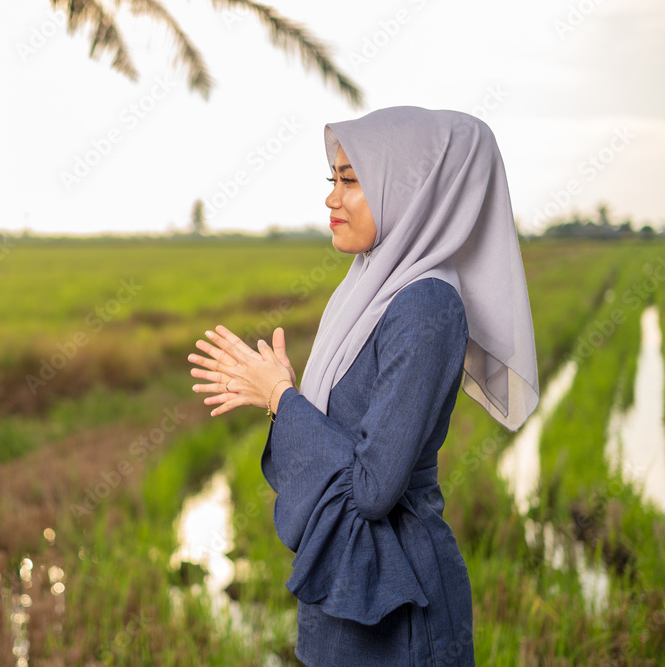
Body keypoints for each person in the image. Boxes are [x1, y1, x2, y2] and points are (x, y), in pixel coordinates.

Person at [189, 106, 539, 665]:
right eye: (333, 179)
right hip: (352, 590)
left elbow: (374, 488)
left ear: (412, 190)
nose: (332, 198)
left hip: (399, 604)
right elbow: (349, 435)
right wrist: (283, 398)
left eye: (351, 181)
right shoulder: (368, 289)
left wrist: (282, 398)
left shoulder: (425, 304)